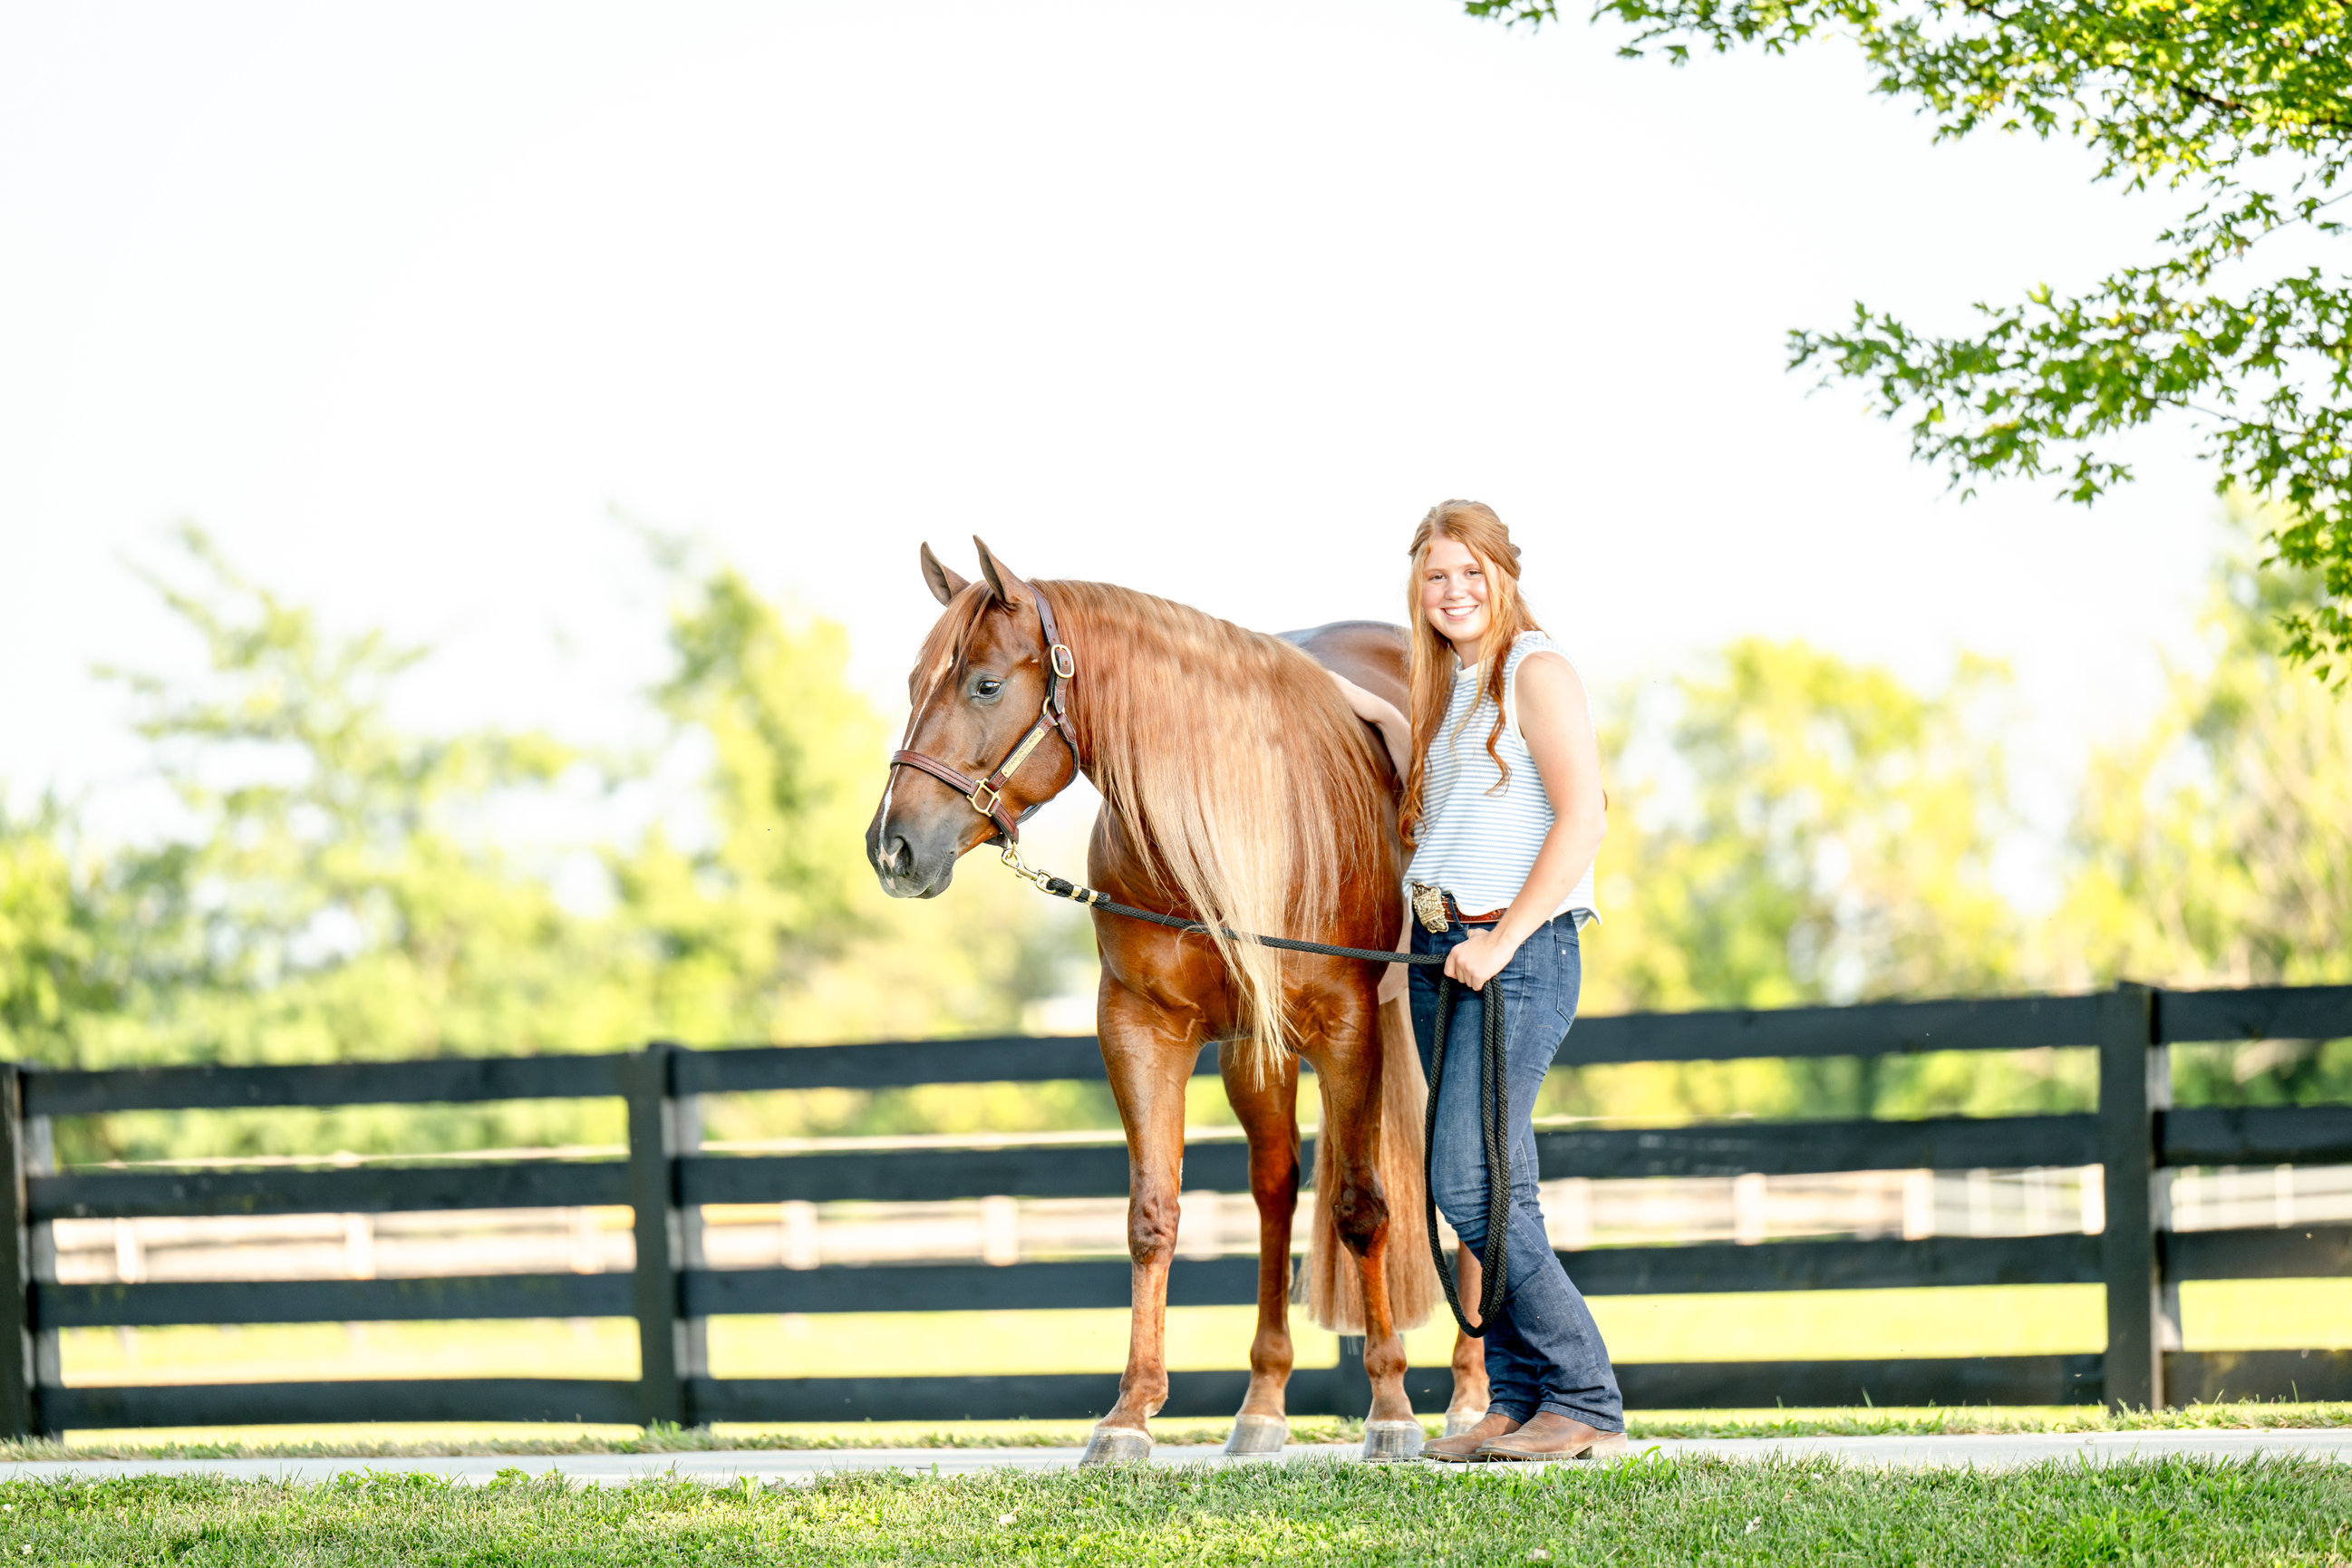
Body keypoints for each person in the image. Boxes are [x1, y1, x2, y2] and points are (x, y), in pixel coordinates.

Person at [1400, 499, 1627, 1463]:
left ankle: (1583, 1389)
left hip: (1515, 956)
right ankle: (1517, 1398)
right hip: (1441, 956)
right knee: (1503, 1186)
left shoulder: (1536, 669)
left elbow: (1584, 819)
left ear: (1502, 571)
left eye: (1468, 571)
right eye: (1434, 575)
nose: (1452, 590)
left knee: (1467, 1178)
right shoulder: (1452, 685)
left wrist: (1500, 940)